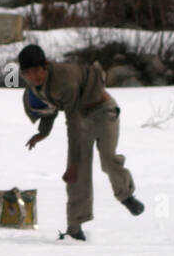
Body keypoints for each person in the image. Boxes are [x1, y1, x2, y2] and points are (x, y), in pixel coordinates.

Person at [17, 43, 145, 240]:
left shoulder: (64, 80)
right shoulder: (34, 89)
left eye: (37, 71)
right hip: (80, 117)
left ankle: (126, 196)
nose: (34, 77)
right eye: (28, 74)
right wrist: (43, 133)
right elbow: (49, 110)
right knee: (78, 175)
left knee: (107, 159)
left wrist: (74, 164)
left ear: (46, 66)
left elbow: (73, 124)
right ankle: (75, 228)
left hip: (102, 110)